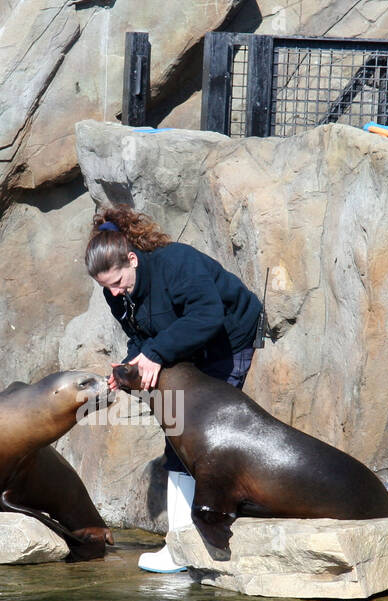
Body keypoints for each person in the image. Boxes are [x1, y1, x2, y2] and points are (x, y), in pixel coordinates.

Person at [85, 204, 263, 573]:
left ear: (132, 259)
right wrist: (130, 366)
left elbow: (207, 316)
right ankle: (181, 543)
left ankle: (195, 537)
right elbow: (139, 336)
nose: (116, 294)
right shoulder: (117, 293)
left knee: (206, 432)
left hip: (227, 339)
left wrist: (155, 353)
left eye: (118, 283)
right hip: (186, 347)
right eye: (107, 288)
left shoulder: (177, 264)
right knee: (177, 432)